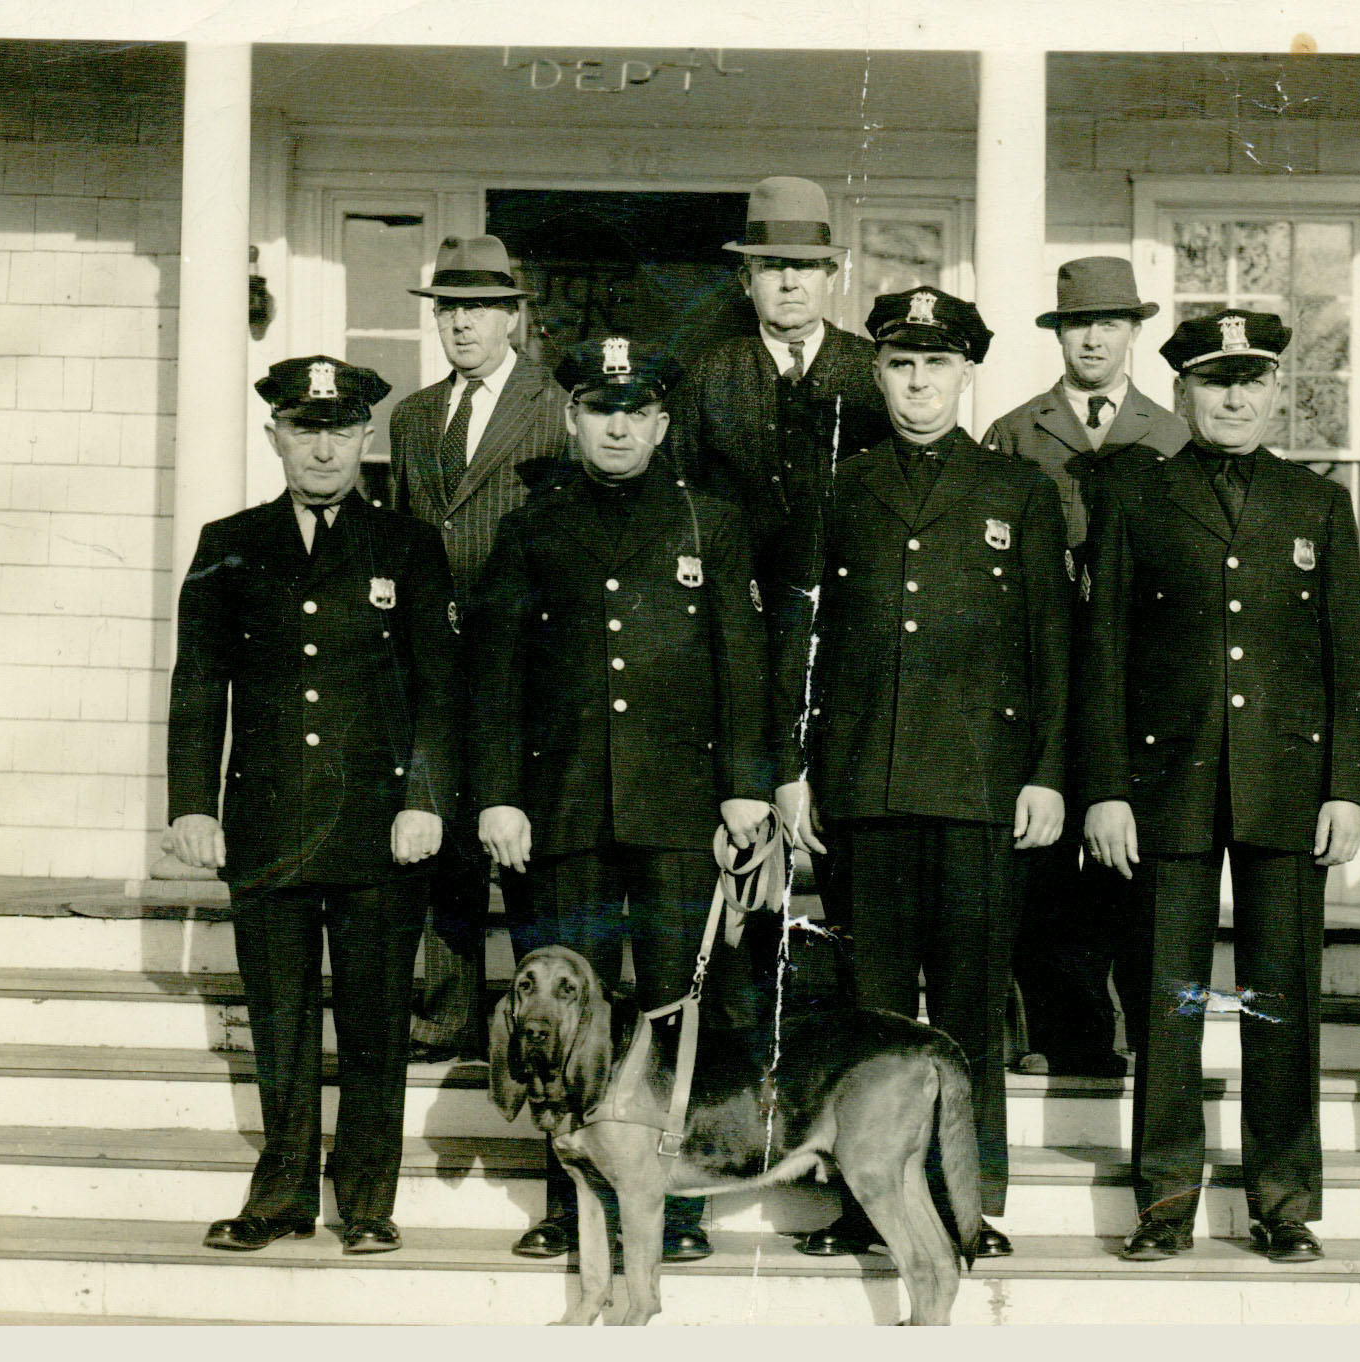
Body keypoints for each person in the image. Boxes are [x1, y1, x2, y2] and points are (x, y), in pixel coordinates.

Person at [1074, 309, 1360, 1264]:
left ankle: (1283, 1201)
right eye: (1214, 382)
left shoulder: (1315, 503)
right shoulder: (1136, 494)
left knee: (1281, 998)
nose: (1234, 400)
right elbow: (1102, 649)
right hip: (1167, 781)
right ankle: (1165, 1199)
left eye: (1251, 381)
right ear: (1183, 392)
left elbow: (1347, 654)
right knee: (1170, 1000)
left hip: (1288, 784)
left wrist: (1348, 785)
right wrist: (1106, 788)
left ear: (1277, 390)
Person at [779, 286, 1071, 1260]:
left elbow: (1051, 646)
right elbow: (801, 639)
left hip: (979, 791)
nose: (917, 383)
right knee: (868, 1014)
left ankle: (965, 1209)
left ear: (966, 373)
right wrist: (793, 769)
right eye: (900, 365)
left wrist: (1046, 773)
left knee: (968, 1013)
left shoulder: (1017, 491)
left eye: (935, 364)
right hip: (864, 788)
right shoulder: (841, 489)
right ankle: (865, 1204)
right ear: (878, 373)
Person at [467, 334, 771, 1266]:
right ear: (573, 418)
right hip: (562, 811)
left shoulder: (708, 523)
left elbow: (742, 662)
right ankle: (570, 1202)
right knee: (561, 1013)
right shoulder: (532, 527)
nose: (618, 428)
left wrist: (746, 788)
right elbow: (495, 677)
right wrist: (499, 797)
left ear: (662, 424)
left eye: (636, 412)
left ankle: (676, 1205)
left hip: (679, 810)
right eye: (602, 410)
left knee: (677, 1008)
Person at [166, 356, 461, 1256]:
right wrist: (192, 806)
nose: (323, 449)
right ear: (275, 438)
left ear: (365, 436)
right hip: (267, 823)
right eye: (305, 430)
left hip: (378, 828)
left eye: (339, 430)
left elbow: (440, 688)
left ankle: (367, 1200)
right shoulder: (229, 541)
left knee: (374, 1021)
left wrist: (425, 799)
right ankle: (283, 1194)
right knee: (281, 1021)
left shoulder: (406, 545)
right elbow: (198, 683)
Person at [665, 176, 891, 1006]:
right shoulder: (707, 376)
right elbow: (680, 513)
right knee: (743, 860)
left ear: (833, 275)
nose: (790, 283)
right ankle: (742, 1025)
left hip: (851, 649)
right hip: (735, 648)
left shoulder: (872, 372)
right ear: (746, 279)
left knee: (852, 855)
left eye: (806, 267)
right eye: (772, 268)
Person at [981, 255, 1187, 1080]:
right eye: (1077, 325)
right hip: (1038, 673)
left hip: (1135, 685)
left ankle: (1119, 1035)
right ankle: (1053, 1032)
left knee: (1124, 863)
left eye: (1109, 323)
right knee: (1039, 863)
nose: (1093, 339)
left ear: (1134, 332)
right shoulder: (1015, 432)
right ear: (1059, 335)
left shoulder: (1171, 435)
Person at [388, 234, 574, 1072]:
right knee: (444, 843)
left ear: (512, 318)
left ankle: (542, 1024)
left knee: (521, 841)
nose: (460, 325)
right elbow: (407, 531)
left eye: (478, 310)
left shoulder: (555, 404)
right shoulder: (414, 415)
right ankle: (445, 1018)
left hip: (524, 656)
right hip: (433, 656)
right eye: (448, 310)